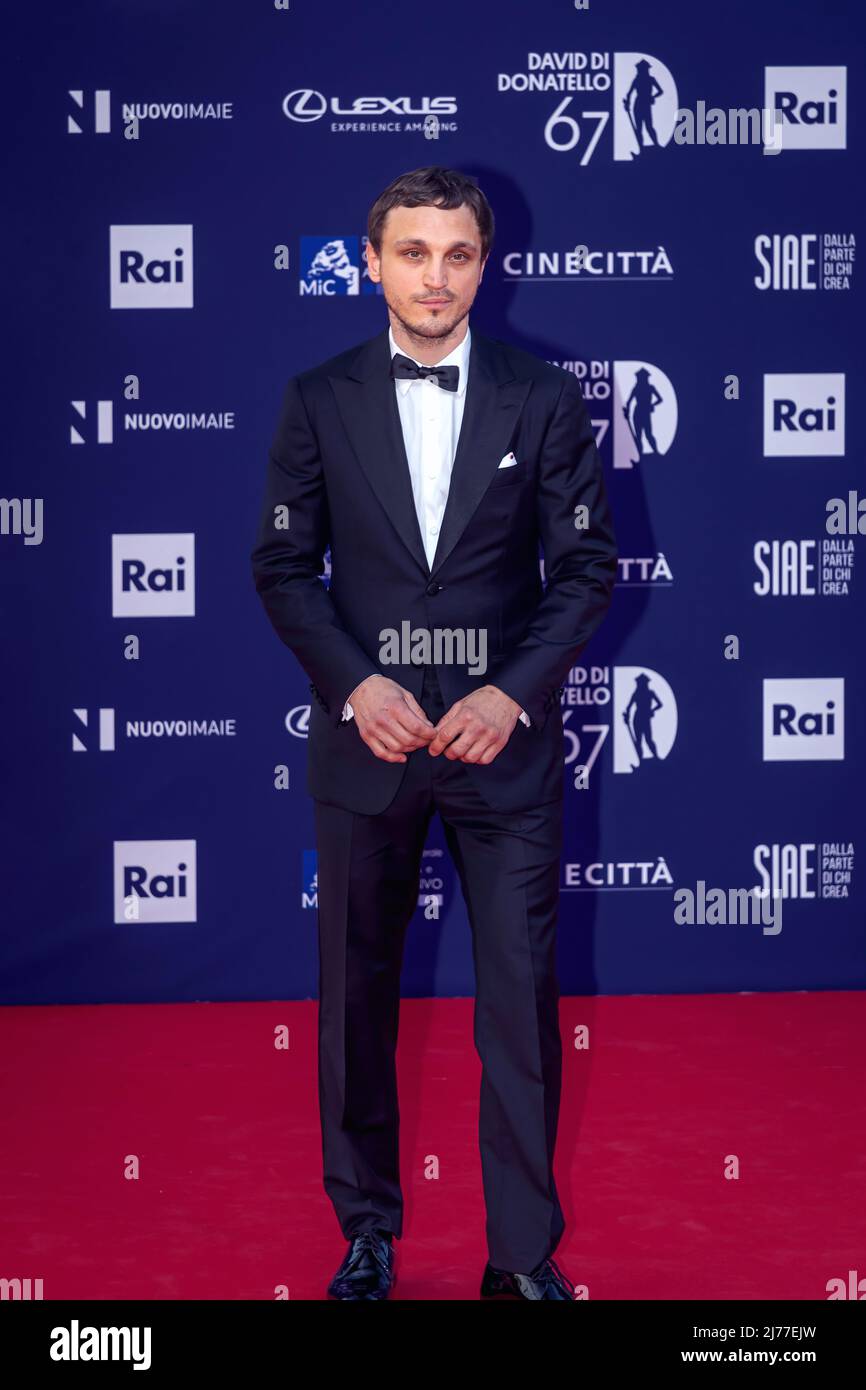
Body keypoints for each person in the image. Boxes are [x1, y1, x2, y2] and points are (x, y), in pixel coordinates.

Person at [251, 165, 617, 1300]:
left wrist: (507, 691)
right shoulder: (316, 396)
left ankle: (518, 1257)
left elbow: (586, 569)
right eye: (412, 253)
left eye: (456, 254)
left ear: (482, 263)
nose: (434, 276)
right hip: (366, 748)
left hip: (500, 755)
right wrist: (357, 685)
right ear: (372, 263)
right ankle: (365, 1231)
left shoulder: (542, 396)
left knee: (516, 1002)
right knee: (354, 1002)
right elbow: (280, 564)